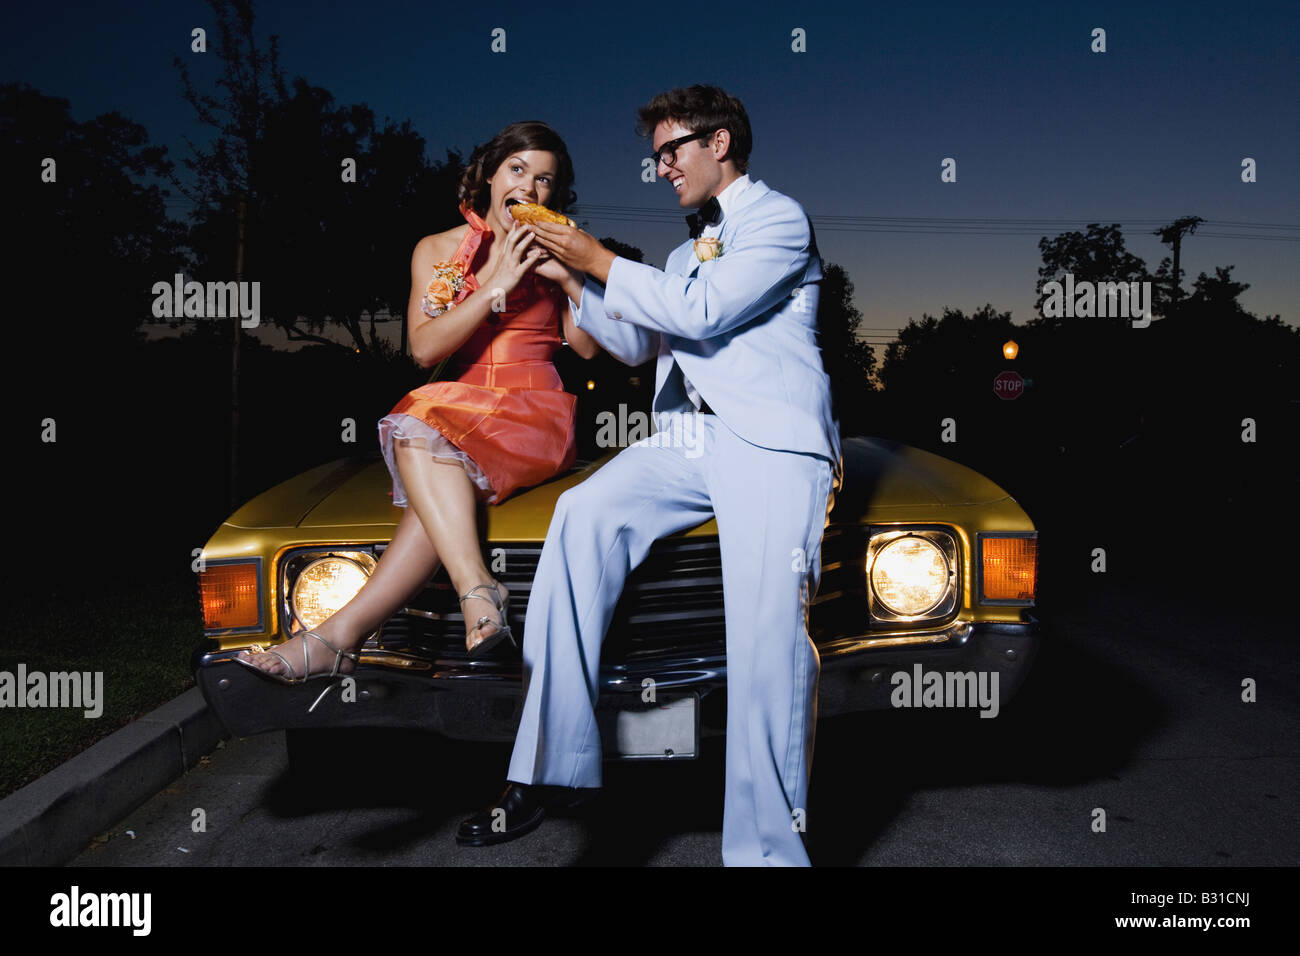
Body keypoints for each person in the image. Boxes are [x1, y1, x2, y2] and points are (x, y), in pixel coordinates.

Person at [456, 86, 842, 866]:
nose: (661, 167)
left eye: (673, 150)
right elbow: (634, 344)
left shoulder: (778, 219)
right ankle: (551, 765)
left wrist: (594, 255)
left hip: (772, 443)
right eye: (656, 153)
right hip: (689, 440)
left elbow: (700, 318)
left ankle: (767, 855)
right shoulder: (676, 256)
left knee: (767, 646)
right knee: (583, 515)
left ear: (721, 143)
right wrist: (572, 281)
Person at [237, 121, 598, 702]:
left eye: (546, 180)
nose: (530, 188)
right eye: (518, 170)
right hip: (461, 406)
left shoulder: (556, 250)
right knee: (424, 427)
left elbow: (585, 348)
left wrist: (571, 270)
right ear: (490, 174)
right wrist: (497, 282)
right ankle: (394, 620)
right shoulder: (435, 250)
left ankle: (340, 640)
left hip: (537, 410)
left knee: (418, 421)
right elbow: (426, 349)